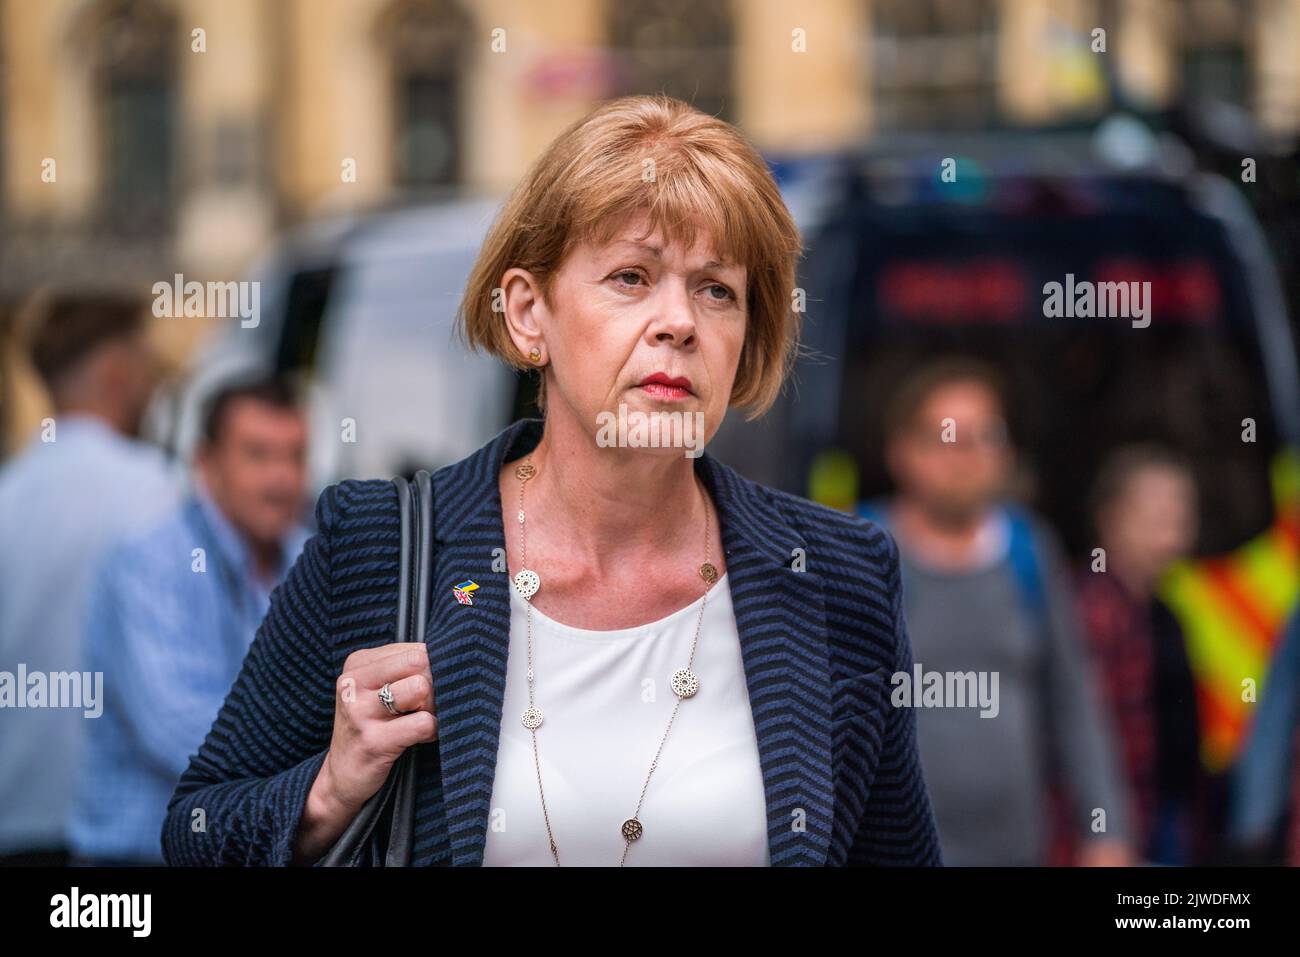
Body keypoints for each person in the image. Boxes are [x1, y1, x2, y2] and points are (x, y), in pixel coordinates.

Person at [161, 94, 942, 867]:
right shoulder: (381, 547)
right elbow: (197, 828)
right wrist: (329, 791)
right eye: (633, 277)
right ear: (529, 313)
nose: (681, 321)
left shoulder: (838, 576)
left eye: (717, 290)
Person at [860, 358, 1134, 866]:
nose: (965, 457)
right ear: (901, 452)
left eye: (983, 437)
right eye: (946, 438)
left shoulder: (1030, 551)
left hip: (1014, 851)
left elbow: (1073, 701)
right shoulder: (858, 552)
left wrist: (1106, 830)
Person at [68, 376, 311, 865]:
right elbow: (180, 733)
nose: (282, 479)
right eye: (259, 455)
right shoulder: (152, 559)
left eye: (296, 456)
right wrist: (328, 756)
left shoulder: (307, 553)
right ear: (206, 463)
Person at [0, 295, 181, 865]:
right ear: (116, 374)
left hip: (16, 823)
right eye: (149, 369)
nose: (156, 386)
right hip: (129, 837)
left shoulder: (9, 497)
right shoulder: (162, 492)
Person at [1076, 444, 1205, 865]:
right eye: (1154, 517)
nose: (1171, 531)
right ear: (1109, 517)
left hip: (1165, 812)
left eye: (1181, 515)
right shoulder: (1093, 610)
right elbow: (1085, 732)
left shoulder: (1164, 611)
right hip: (1121, 822)